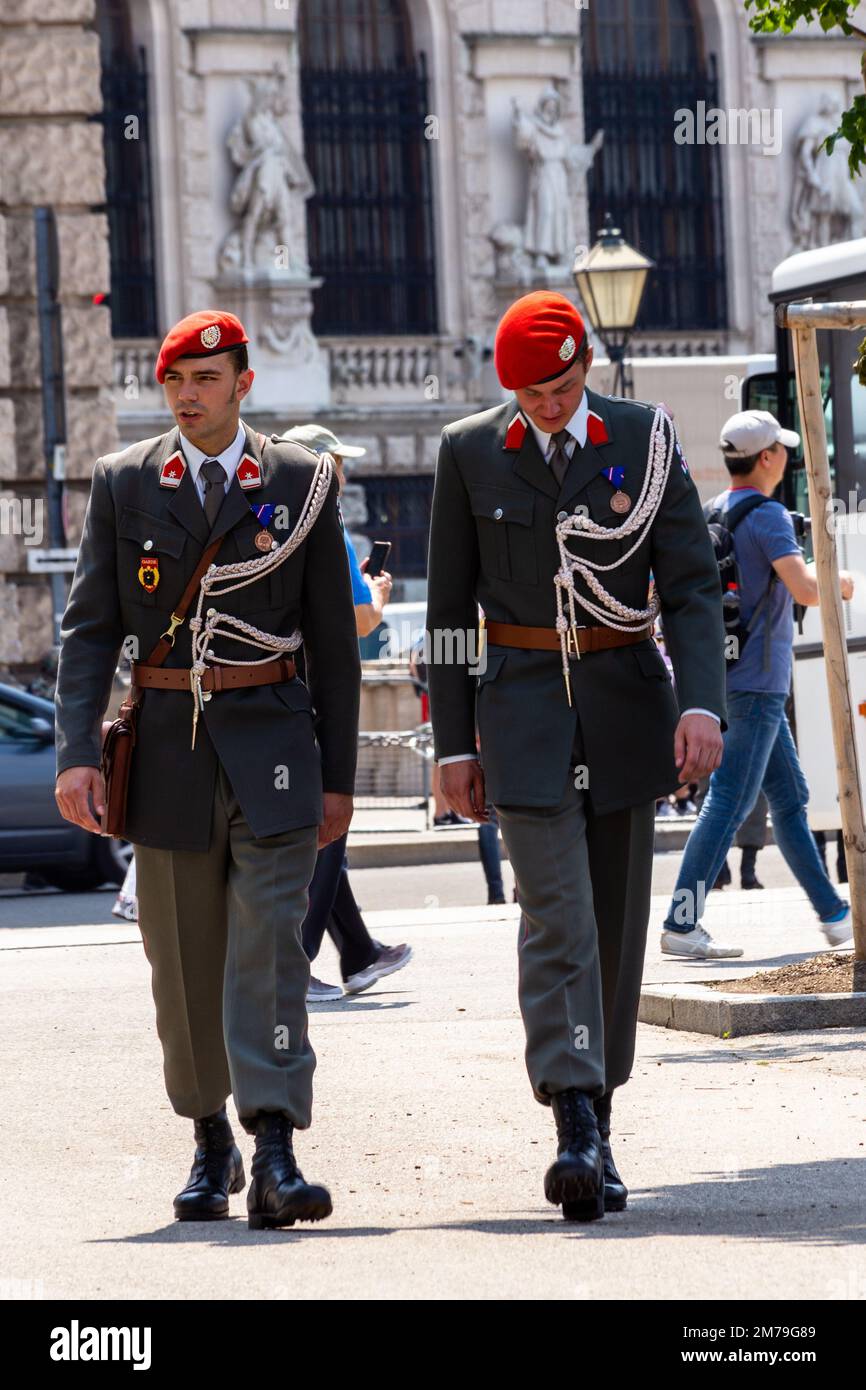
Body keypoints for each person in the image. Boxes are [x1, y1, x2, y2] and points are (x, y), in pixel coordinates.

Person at [54, 310, 361, 1230]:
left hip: (272, 741)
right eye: (175, 382)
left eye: (206, 379)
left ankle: (274, 1143)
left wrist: (338, 778)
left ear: (243, 383)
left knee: (270, 944)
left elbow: (335, 647)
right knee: (182, 960)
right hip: (166, 751)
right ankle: (207, 1139)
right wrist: (77, 756)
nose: (188, 397)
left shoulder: (300, 481)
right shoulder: (125, 482)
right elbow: (90, 630)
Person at [426, 290, 726, 1222]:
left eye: (556, 388)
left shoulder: (647, 438)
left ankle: (600, 1108)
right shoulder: (471, 450)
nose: (543, 408)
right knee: (555, 913)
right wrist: (450, 743)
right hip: (520, 712)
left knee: (615, 926)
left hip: (626, 704)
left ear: (585, 365)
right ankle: (571, 1122)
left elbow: (690, 585)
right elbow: (446, 615)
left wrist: (706, 705)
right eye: (526, 393)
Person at [659, 409, 854, 958]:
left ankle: (836, 917)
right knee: (729, 802)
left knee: (789, 800)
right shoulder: (768, 515)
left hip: (727, 679)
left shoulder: (714, 510)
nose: (788, 457)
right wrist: (839, 581)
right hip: (758, 686)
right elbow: (804, 589)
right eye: (783, 449)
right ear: (766, 458)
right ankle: (681, 921)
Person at [281, 423, 413, 1000]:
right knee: (330, 820)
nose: (344, 473)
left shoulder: (275, 513)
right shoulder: (326, 518)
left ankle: (358, 952)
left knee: (324, 823)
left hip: (281, 690)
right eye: (337, 461)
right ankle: (298, 960)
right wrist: (377, 595)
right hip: (321, 694)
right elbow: (357, 620)